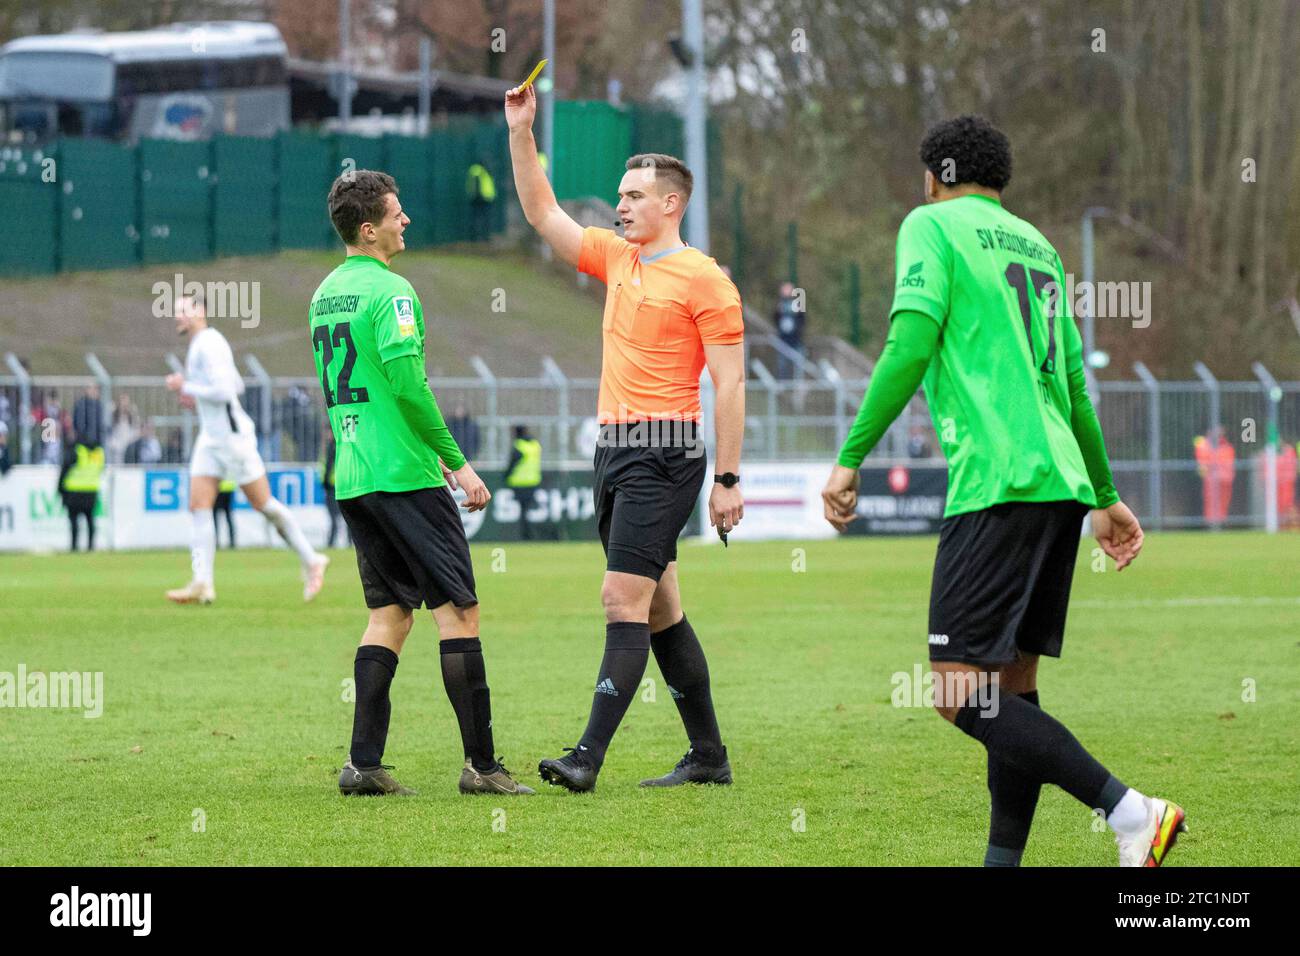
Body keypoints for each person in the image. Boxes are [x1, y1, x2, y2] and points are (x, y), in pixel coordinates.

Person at [821, 115, 1184, 868]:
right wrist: (1104, 495)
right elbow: (1075, 387)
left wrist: (851, 456)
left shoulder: (931, 225)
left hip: (997, 481)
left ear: (935, 176)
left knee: (957, 693)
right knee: (1011, 686)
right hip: (1059, 485)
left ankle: (1132, 813)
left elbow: (909, 344)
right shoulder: (1039, 246)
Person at [507, 80, 746, 791]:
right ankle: (709, 755)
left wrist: (728, 479)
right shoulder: (617, 257)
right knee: (663, 606)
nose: (621, 205)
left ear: (671, 204)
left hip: (666, 453)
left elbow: (731, 383)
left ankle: (586, 758)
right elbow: (542, 212)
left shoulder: (705, 279)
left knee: (621, 599)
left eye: (635, 196)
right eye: (620, 196)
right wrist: (521, 131)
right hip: (613, 451)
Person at [312, 168, 532, 797]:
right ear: (368, 229)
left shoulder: (325, 293)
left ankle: (363, 764)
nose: (405, 219)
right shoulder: (393, 292)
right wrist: (455, 460)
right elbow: (408, 386)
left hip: (356, 475)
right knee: (459, 612)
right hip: (405, 475)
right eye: (395, 212)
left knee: (389, 615)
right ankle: (482, 768)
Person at [164, 291, 329, 605]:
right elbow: (236, 385)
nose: (177, 316)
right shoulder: (201, 343)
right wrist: (195, 396)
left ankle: (312, 558)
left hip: (231, 439)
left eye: (183, 310)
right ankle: (202, 583)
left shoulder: (210, 343)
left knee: (263, 504)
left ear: (200, 311)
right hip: (211, 437)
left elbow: (226, 390)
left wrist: (185, 386)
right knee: (198, 505)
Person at [57, 429, 104, 552]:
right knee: (90, 520)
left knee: (74, 521)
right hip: (91, 490)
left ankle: (74, 547)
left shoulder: (77, 450)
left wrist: (60, 488)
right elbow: (100, 469)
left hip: (74, 490)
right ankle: (91, 547)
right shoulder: (99, 452)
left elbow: (65, 470)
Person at [1193, 425, 1235, 529]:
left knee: (1223, 502)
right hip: (1211, 479)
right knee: (1211, 502)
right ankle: (1212, 524)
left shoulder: (1226, 447)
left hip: (1224, 479)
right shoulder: (1203, 445)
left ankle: (1220, 523)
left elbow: (1228, 464)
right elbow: (1203, 462)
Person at [505, 424, 542, 541]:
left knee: (523, 511)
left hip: (519, 483)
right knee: (527, 510)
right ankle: (530, 534)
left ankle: (526, 535)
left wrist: (505, 476)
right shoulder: (535, 445)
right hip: (533, 482)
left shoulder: (519, 446)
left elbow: (512, 464)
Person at [320, 424, 350, 548]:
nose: (327, 435)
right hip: (335, 487)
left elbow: (329, 467)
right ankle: (341, 543)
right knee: (340, 518)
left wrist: (326, 481)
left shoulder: (335, 446)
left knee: (339, 518)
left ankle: (336, 543)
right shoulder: (334, 446)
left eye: (329, 432)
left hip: (336, 486)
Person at [773, 281, 806, 380]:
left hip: (796, 341)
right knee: (782, 366)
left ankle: (798, 386)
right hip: (783, 341)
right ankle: (782, 386)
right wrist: (778, 312)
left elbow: (803, 320)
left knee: (798, 366)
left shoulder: (798, 304)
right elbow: (775, 319)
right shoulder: (779, 304)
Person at [466, 158, 497, 242]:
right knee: (481, 219)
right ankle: (479, 237)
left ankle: (482, 236)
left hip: (484, 199)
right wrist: (477, 196)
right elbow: (475, 184)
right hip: (481, 199)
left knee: (481, 218)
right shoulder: (477, 170)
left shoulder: (482, 171)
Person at [72, 384, 104, 449]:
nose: (94, 391)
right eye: (91, 388)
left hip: (98, 444)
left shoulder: (100, 406)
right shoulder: (81, 405)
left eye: (96, 389)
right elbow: (79, 425)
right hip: (84, 444)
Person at [213, 477, 236, 549]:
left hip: (218, 488)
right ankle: (232, 542)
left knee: (215, 518)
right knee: (228, 517)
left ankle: (215, 542)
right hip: (229, 488)